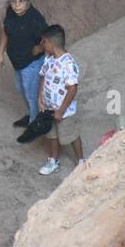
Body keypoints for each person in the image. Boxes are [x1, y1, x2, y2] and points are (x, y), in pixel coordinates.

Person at [0, 0, 47, 134]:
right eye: (13, 1)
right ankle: (32, 115)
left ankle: (34, 123)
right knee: (22, 90)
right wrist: (0, 53)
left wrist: (36, 50)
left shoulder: (35, 19)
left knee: (32, 95)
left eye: (21, 1)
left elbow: (48, 40)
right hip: (18, 63)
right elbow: (6, 32)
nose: (17, 5)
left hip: (31, 63)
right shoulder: (10, 13)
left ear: (28, 1)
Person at [36, 24, 85, 176]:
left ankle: (81, 161)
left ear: (51, 43)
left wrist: (61, 110)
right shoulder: (49, 58)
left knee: (71, 135)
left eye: (43, 42)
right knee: (52, 135)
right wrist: (40, 99)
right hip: (49, 108)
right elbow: (43, 76)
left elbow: (72, 89)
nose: (41, 45)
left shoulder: (68, 64)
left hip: (64, 111)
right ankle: (53, 161)